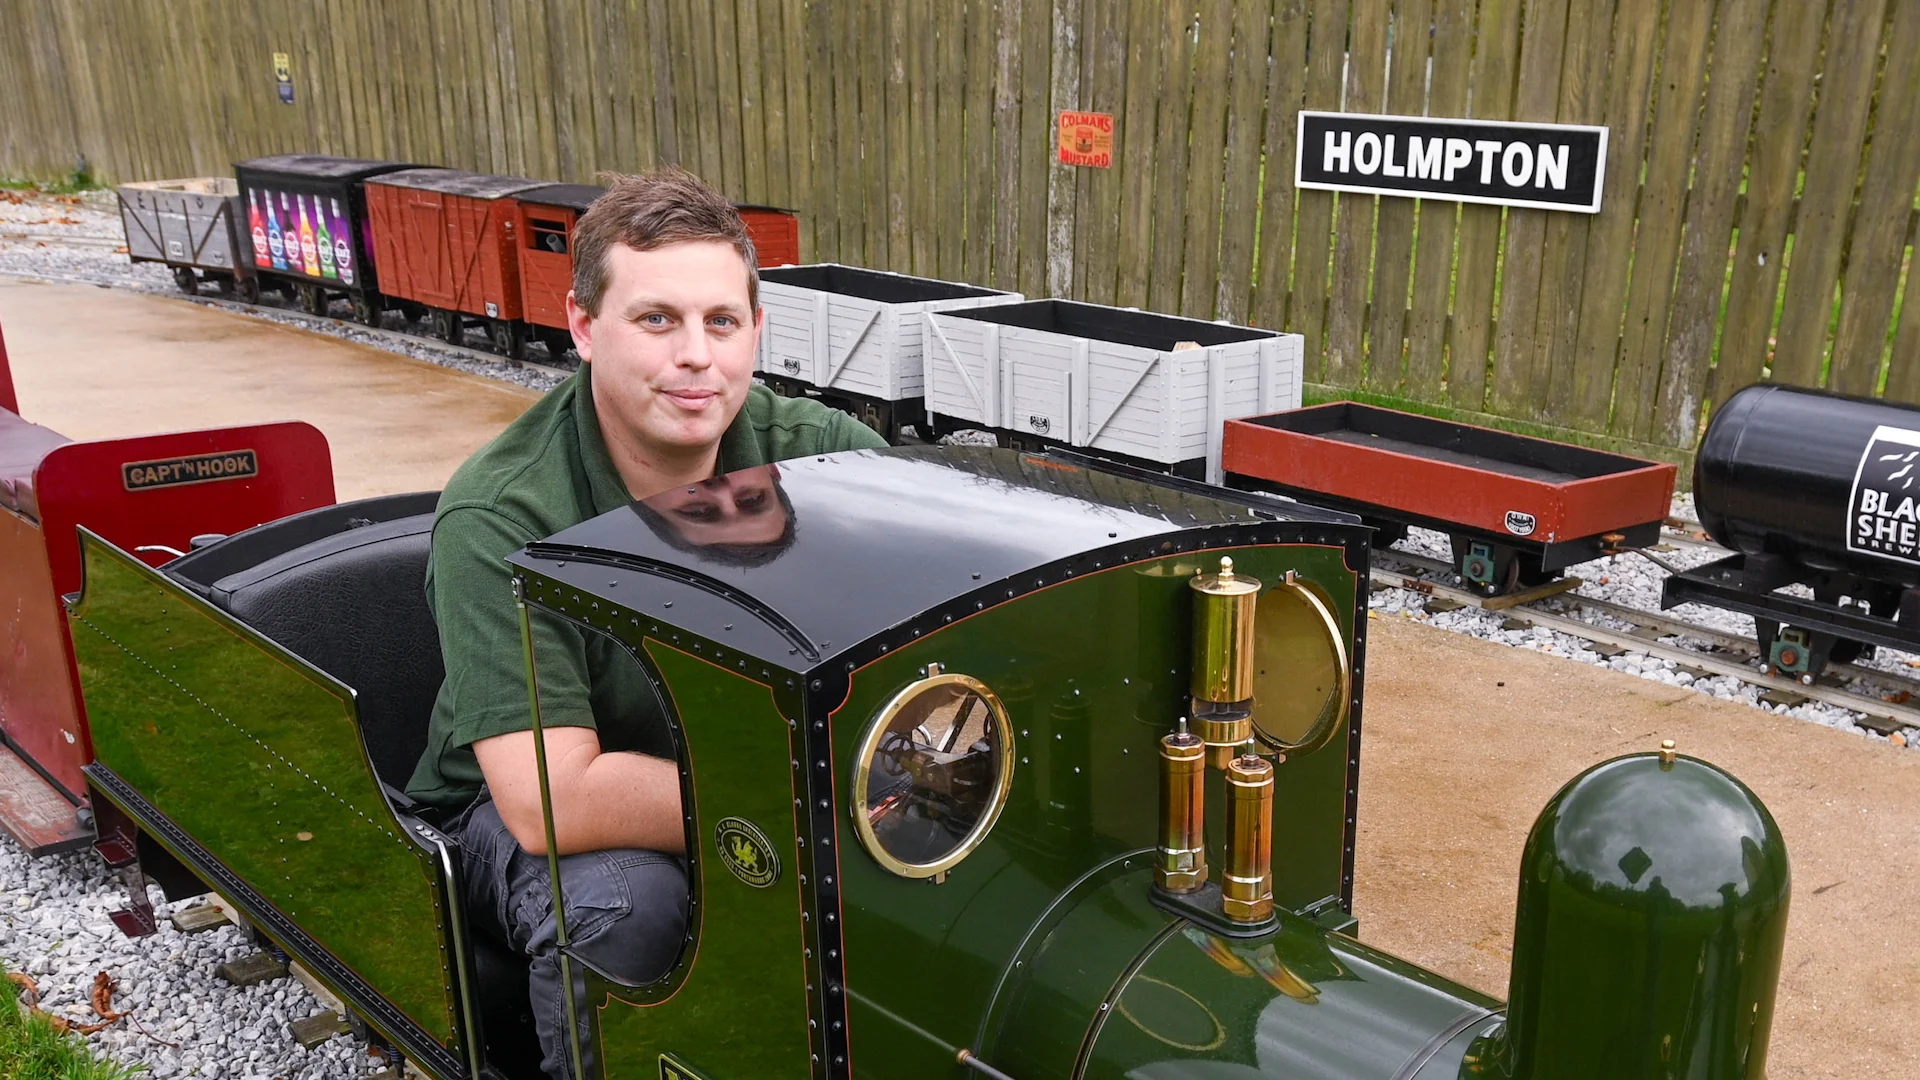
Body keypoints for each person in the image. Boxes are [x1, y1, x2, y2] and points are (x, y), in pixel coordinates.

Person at [404, 167, 887, 1080]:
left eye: (722, 322)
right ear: (584, 328)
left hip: (759, 770)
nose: (697, 356)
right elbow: (554, 797)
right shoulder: (502, 516)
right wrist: (824, 808)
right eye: (656, 319)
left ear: (755, 333)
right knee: (628, 907)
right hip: (505, 810)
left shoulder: (831, 462)